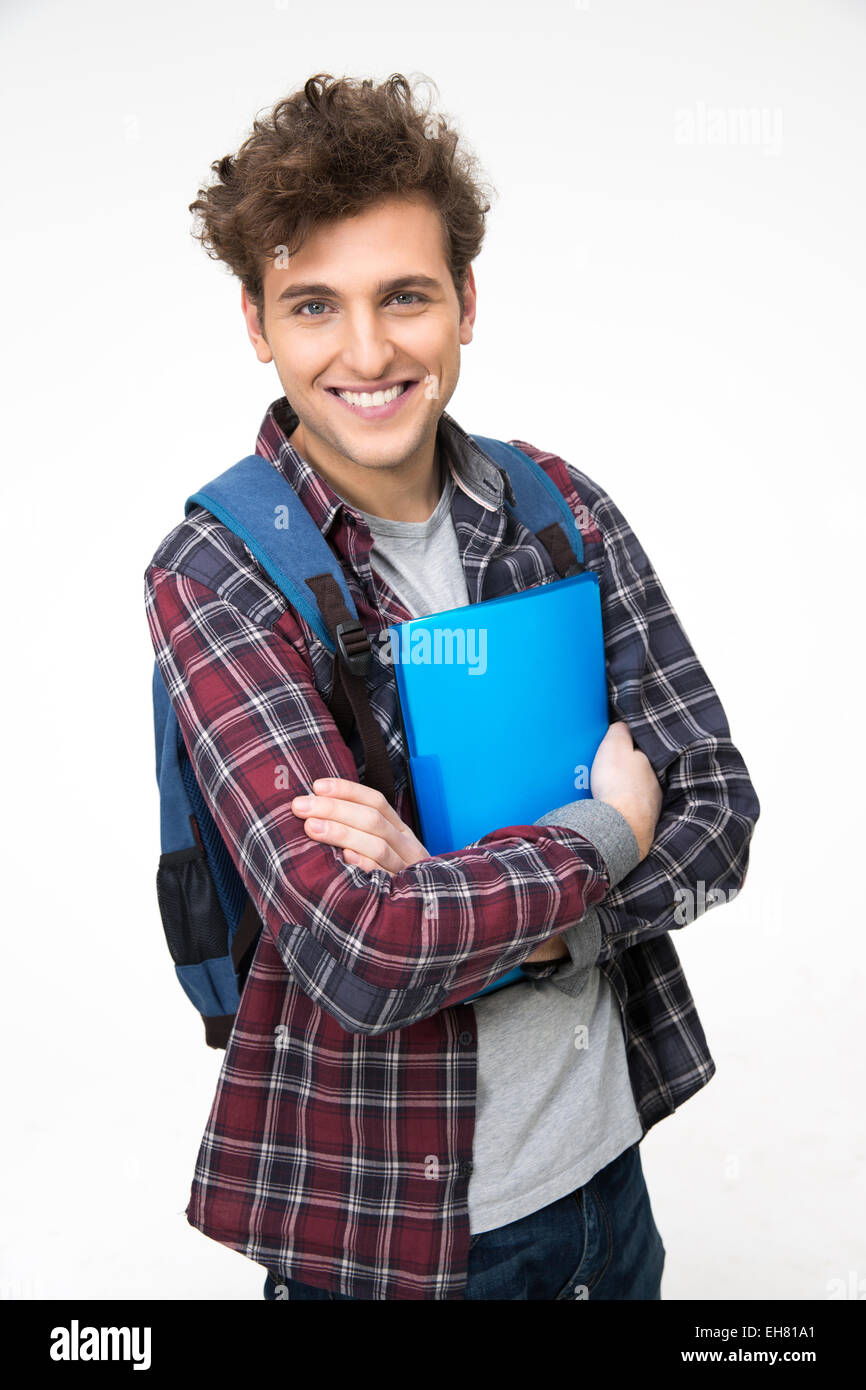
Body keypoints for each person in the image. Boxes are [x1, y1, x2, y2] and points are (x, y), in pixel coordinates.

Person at [144, 72, 760, 1301]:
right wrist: (605, 831)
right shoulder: (218, 573)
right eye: (314, 304)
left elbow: (718, 811)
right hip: (387, 1235)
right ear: (258, 325)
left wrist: (503, 913)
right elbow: (361, 950)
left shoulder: (558, 505)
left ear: (465, 303)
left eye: (405, 296)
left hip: (602, 1189)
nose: (367, 352)